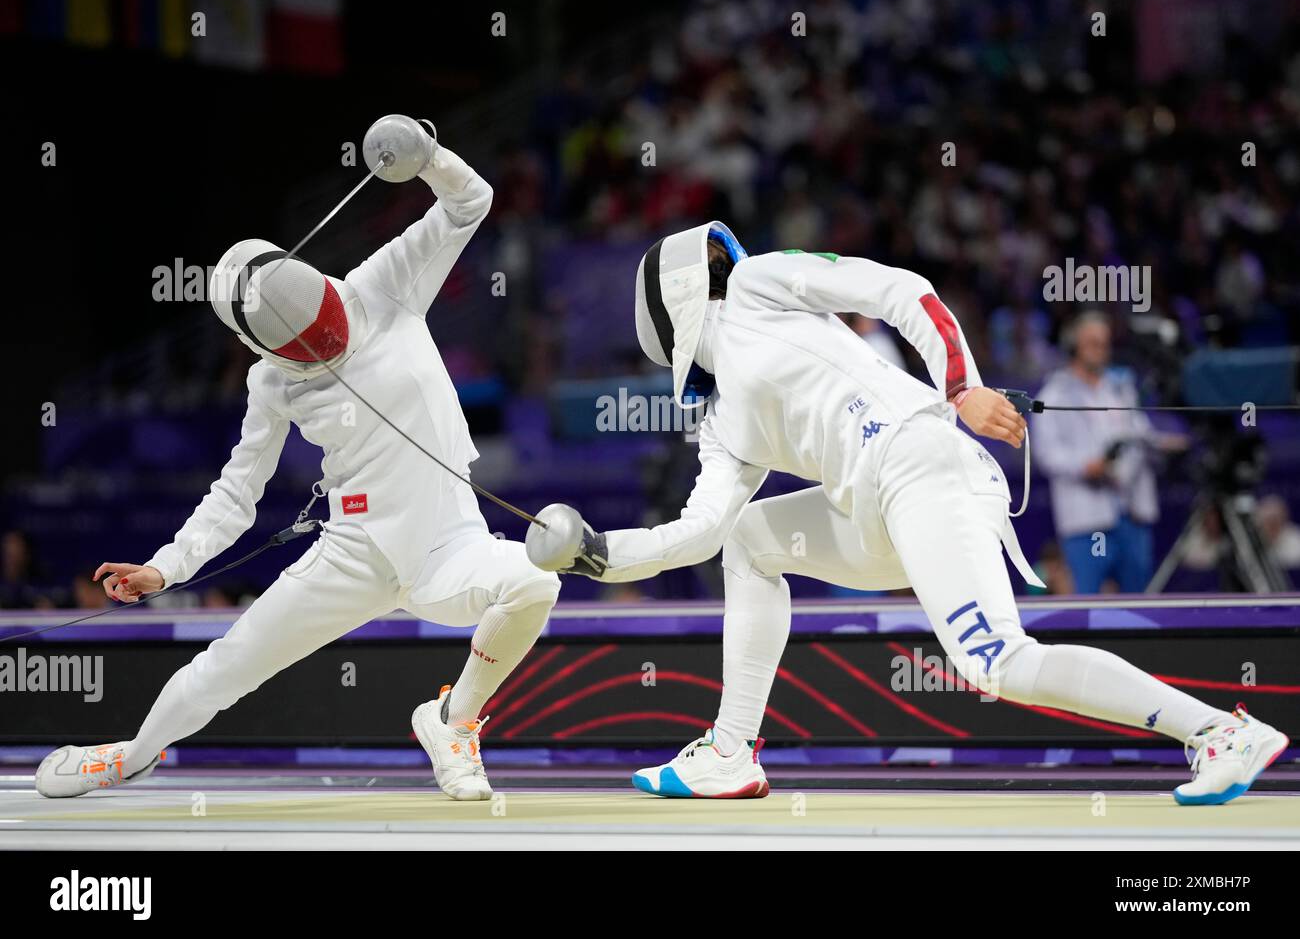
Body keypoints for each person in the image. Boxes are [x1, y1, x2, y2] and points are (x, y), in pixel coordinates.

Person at [530, 224, 1287, 806]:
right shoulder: (724, 423)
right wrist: (595, 552)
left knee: (997, 662)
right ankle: (731, 752)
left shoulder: (760, 283)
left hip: (923, 460)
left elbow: (901, 290)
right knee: (750, 542)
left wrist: (961, 388)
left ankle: (1222, 732)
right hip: (871, 513)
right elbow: (691, 534)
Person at [34, 124, 560, 802]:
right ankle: (130, 755)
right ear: (261, 348)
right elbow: (236, 492)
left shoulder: (381, 284)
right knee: (228, 664)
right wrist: (167, 565)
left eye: (329, 327)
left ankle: (452, 722)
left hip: (447, 544)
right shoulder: (272, 383)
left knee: (534, 584)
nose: (328, 343)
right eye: (307, 347)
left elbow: (471, 202)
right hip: (353, 554)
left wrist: (429, 159)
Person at [1032, 312, 1175, 593]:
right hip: (1087, 520)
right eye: (1092, 343)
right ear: (1073, 346)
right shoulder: (1053, 396)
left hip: (1131, 513)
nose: (1101, 350)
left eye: (1104, 344)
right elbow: (1047, 454)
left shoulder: (1121, 389)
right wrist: (1085, 466)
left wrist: (1161, 444)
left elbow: (1138, 433)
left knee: (1139, 604)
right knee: (1088, 604)